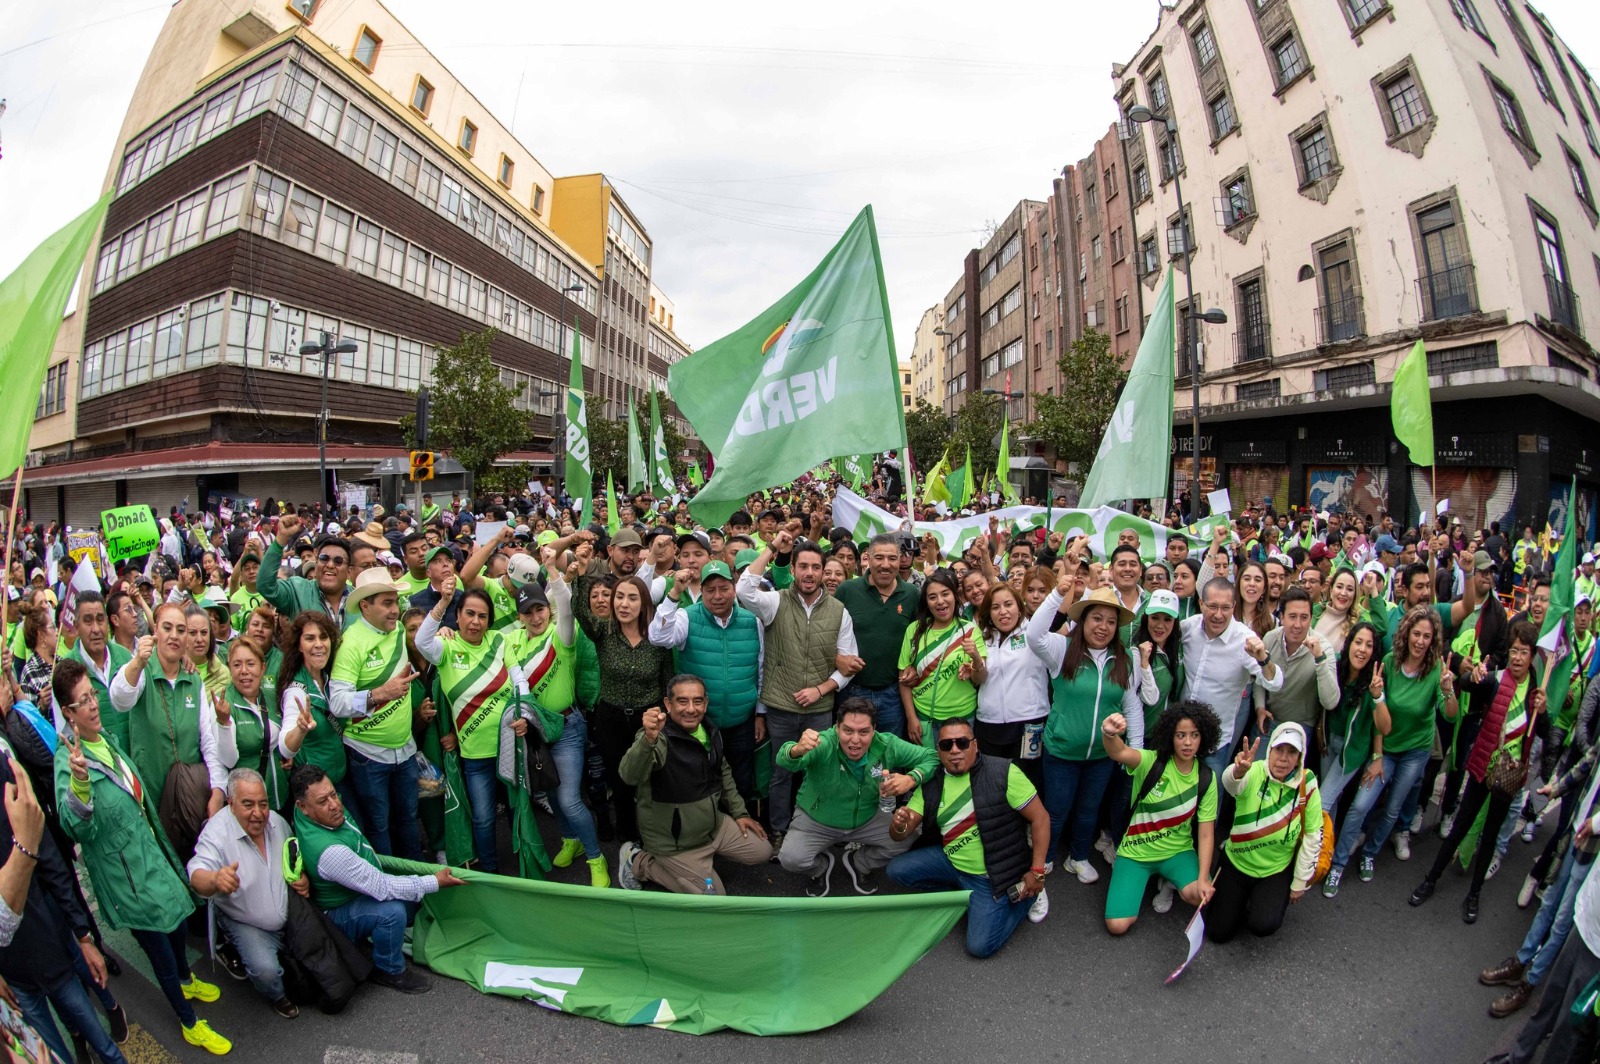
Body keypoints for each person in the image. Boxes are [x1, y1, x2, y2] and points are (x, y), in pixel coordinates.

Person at [54, 659, 232, 1055]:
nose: (94, 705)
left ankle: (187, 979)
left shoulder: (104, 739)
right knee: (160, 952)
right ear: (68, 713)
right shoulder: (68, 761)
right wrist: (80, 784)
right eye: (83, 701)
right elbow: (74, 826)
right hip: (126, 877)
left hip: (149, 855)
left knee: (175, 926)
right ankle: (188, 1022)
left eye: (92, 695)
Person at [0, 738, 127, 1064]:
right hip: (12, 978)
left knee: (105, 1046)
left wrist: (83, 935)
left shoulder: (5, 771)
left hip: (45, 943)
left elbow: (50, 861)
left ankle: (109, 1010)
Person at [1410, 622, 1543, 923]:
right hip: (1484, 765)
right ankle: (1431, 879)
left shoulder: (1537, 692)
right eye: (1514, 651)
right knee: (1461, 824)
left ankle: (1474, 894)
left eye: (1524, 652)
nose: (1518, 657)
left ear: (1533, 655)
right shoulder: (1496, 680)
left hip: (1509, 775)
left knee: (1491, 835)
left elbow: (1542, 731)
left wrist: (1544, 710)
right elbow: (1469, 684)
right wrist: (1473, 674)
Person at [291, 765, 464, 994]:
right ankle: (390, 970)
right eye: (323, 802)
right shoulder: (329, 852)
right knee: (393, 911)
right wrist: (434, 882)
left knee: (405, 895)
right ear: (302, 807)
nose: (334, 805)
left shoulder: (312, 813)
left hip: (350, 891)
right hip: (335, 915)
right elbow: (381, 886)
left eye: (333, 794)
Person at [886, 719, 1050, 957]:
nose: (954, 750)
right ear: (939, 751)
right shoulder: (931, 784)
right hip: (952, 864)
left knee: (979, 947)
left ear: (975, 745)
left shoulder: (1004, 772)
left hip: (992, 874)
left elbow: (1041, 819)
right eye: (946, 745)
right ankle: (965, 896)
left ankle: (1028, 896)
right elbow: (899, 835)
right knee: (896, 870)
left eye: (962, 743)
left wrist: (1036, 872)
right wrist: (899, 824)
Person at [736, 529, 856, 853]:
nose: (809, 573)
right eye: (803, 566)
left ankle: (816, 830)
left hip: (819, 709)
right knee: (781, 773)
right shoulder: (776, 602)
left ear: (822, 571)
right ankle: (779, 829)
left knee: (819, 771)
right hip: (781, 707)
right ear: (794, 569)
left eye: (816, 567)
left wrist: (821, 689)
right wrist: (773, 547)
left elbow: (846, 668)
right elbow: (744, 589)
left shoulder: (839, 611)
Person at [1325, 607, 1455, 897]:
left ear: (1433, 640)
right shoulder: (1387, 663)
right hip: (1385, 748)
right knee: (1360, 805)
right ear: (1406, 634)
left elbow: (1450, 715)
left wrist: (1448, 690)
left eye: (1427, 636)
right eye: (1416, 634)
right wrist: (1378, 756)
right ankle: (1338, 864)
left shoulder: (1435, 670)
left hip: (1415, 751)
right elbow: (1376, 718)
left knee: (1393, 808)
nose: (1420, 641)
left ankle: (1370, 852)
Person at [1025, 577, 1143, 882]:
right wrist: (1057, 593)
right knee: (1056, 810)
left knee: (1089, 811)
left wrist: (1136, 754)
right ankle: (1046, 857)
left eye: (1111, 621)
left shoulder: (1126, 659)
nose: (1103, 627)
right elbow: (1034, 636)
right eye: (1096, 618)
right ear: (1083, 620)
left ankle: (1077, 857)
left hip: (1104, 754)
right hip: (1062, 751)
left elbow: (1131, 707)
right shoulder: (1062, 649)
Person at [615, 676, 772, 893]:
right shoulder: (657, 737)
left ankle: (698, 867)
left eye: (697, 701)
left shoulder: (710, 730)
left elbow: (724, 773)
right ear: (668, 704)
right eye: (682, 701)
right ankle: (639, 861)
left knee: (762, 850)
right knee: (712, 897)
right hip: (675, 844)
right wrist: (648, 740)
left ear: (706, 704)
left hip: (714, 828)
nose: (691, 709)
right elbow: (628, 775)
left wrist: (740, 813)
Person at [775, 698, 938, 896]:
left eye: (863, 732)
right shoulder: (824, 743)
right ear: (837, 728)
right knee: (791, 858)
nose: (855, 740)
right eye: (848, 731)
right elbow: (786, 760)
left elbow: (933, 757)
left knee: (906, 839)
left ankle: (858, 862)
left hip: (867, 818)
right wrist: (796, 749)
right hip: (817, 819)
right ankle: (821, 867)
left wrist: (912, 778)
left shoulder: (887, 744)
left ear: (874, 729)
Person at [503, 573, 606, 884]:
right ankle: (569, 839)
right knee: (548, 790)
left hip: (567, 726)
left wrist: (555, 570)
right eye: (528, 612)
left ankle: (595, 857)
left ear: (548, 610)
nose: (535, 617)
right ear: (519, 617)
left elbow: (566, 603)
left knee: (569, 799)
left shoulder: (561, 635)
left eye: (540, 609)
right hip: (534, 731)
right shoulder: (510, 641)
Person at [188, 768, 307, 1018]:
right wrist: (215, 879)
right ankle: (277, 995)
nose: (258, 813)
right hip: (246, 921)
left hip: (289, 914)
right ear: (231, 804)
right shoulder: (216, 833)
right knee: (266, 971)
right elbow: (196, 875)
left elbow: (293, 854)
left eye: (263, 804)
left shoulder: (276, 821)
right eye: (248, 804)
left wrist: (302, 877)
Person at [107, 602, 219, 862]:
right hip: (154, 798)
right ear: (155, 630)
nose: (174, 635)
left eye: (182, 630)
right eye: (167, 628)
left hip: (192, 797)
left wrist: (217, 791)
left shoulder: (193, 679)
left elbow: (208, 741)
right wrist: (137, 662)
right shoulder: (142, 672)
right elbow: (119, 700)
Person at [649, 560, 765, 807]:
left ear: (734, 588)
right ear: (701, 590)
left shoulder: (751, 621)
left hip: (741, 721)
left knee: (740, 779)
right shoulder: (686, 617)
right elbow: (658, 637)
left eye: (723, 588)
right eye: (710, 589)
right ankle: (706, 832)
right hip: (698, 721)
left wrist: (760, 714)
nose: (717, 596)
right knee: (699, 779)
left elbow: (761, 669)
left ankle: (740, 829)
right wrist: (674, 594)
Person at [573, 565, 674, 845]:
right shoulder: (603, 631)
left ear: (644, 604)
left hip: (649, 719)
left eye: (632, 598)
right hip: (611, 718)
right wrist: (581, 575)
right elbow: (581, 610)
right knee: (618, 779)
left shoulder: (657, 638)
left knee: (650, 779)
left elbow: (668, 681)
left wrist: (664, 716)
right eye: (619, 597)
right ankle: (627, 835)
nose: (623, 604)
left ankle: (652, 835)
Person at [329, 568, 426, 860]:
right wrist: (379, 694)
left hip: (405, 750)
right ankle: (390, 884)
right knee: (379, 826)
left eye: (396, 602)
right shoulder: (350, 644)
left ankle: (419, 879)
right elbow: (337, 702)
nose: (395, 610)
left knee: (410, 818)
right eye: (387, 603)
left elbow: (424, 632)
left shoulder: (398, 629)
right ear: (365, 606)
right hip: (368, 756)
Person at [1099, 702, 1219, 932]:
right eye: (1181, 735)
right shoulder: (1151, 762)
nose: (1187, 742)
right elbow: (1119, 751)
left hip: (1177, 852)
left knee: (1199, 896)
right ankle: (1155, 881)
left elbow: (1205, 833)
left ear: (1203, 738)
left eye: (1194, 735)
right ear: (1170, 736)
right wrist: (1109, 733)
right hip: (1136, 852)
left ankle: (1170, 883)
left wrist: (1204, 878)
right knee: (1117, 926)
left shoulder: (1206, 777)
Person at [1209, 722, 1324, 943]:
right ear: (1270, 749)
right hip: (1236, 862)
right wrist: (1237, 771)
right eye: (1279, 750)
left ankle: (1262, 901)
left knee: (1263, 925)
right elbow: (1231, 785)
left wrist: (1300, 881)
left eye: (1292, 752)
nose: (1283, 758)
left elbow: (1313, 833)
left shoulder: (1307, 783)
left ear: (1300, 757)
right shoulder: (1253, 769)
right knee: (1217, 933)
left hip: (1275, 869)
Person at [832, 534, 919, 739]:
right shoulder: (847, 590)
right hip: (851, 691)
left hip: (893, 696)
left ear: (900, 560)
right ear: (868, 559)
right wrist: (836, 659)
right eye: (879, 558)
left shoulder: (912, 594)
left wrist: (915, 665)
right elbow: (826, 634)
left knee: (889, 756)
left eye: (892, 558)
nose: (885, 565)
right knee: (851, 753)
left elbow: (919, 637)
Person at [974, 583, 1052, 787]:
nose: (1003, 612)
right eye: (995, 607)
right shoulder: (981, 638)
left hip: (1029, 723)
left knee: (1027, 783)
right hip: (989, 724)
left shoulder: (1035, 635)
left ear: (1019, 606)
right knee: (993, 783)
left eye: (1008, 604)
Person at [898, 569, 987, 747]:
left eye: (945, 594)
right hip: (924, 719)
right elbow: (903, 679)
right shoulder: (914, 630)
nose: (940, 601)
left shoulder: (970, 630)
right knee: (928, 771)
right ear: (926, 602)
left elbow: (981, 678)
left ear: (955, 596)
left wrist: (976, 660)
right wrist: (911, 718)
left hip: (963, 719)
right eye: (932, 597)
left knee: (959, 771)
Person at [1254, 587, 1337, 772]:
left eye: (1304, 617)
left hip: (1301, 727)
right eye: (1292, 616)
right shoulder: (1270, 638)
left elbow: (1330, 701)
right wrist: (1259, 707)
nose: (1298, 624)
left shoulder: (1324, 648)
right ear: (1281, 617)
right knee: (1256, 774)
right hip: (1270, 721)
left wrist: (1319, 660)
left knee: (1287, 782)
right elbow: (1260, 679)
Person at [1321, 622, 1385, 810]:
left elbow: (1383, 727)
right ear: (1349, 643)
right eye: (1358, 642)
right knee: (1329, 803)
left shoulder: (1374, 682)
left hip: (1351, 750)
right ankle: (1327, 840)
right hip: (1328, 742)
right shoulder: (1337, 665)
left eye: (1369, 645)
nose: (1362, 649)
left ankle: (1317, 840)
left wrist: (1378, 696)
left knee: (1322, 802)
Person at [63, 591, 134, 753]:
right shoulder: (67, 671)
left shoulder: (125, 658)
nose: (96, 629)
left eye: (100, 619)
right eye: (88, 621)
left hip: (133, 768)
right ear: (76, 626)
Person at [257, 516, 353, 620]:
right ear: (316, 564)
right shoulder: (297, 592)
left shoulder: (361, 600)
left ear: (349, 572)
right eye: (324, 558)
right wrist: (281, 538)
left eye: (338, 561)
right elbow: (265, 586)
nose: (330, 565)